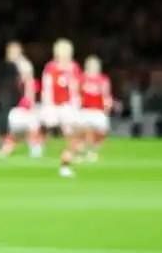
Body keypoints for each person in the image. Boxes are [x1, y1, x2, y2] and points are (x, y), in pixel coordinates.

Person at [40, 38, 82, 177]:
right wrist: (47, 104)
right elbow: (47, 87)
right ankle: (44, 150)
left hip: (67, 105)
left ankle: (66, 157)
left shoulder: (74, 67)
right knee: (51, 128)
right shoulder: (51, 67)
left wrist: (76, 104)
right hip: (53, 105)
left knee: (71, 132)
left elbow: (76, 88)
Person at [76, 55, 112, 161]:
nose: (93, 67)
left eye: (95, 65)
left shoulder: (103, 79)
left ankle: (92, 151)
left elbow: (106, 94)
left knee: (101, 132)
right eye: (91, 65)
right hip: (85, 110)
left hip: (98, 111)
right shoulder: (82, 78)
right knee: (84, 132)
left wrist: (107, 105)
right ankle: (82, 152)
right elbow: (76, 93)